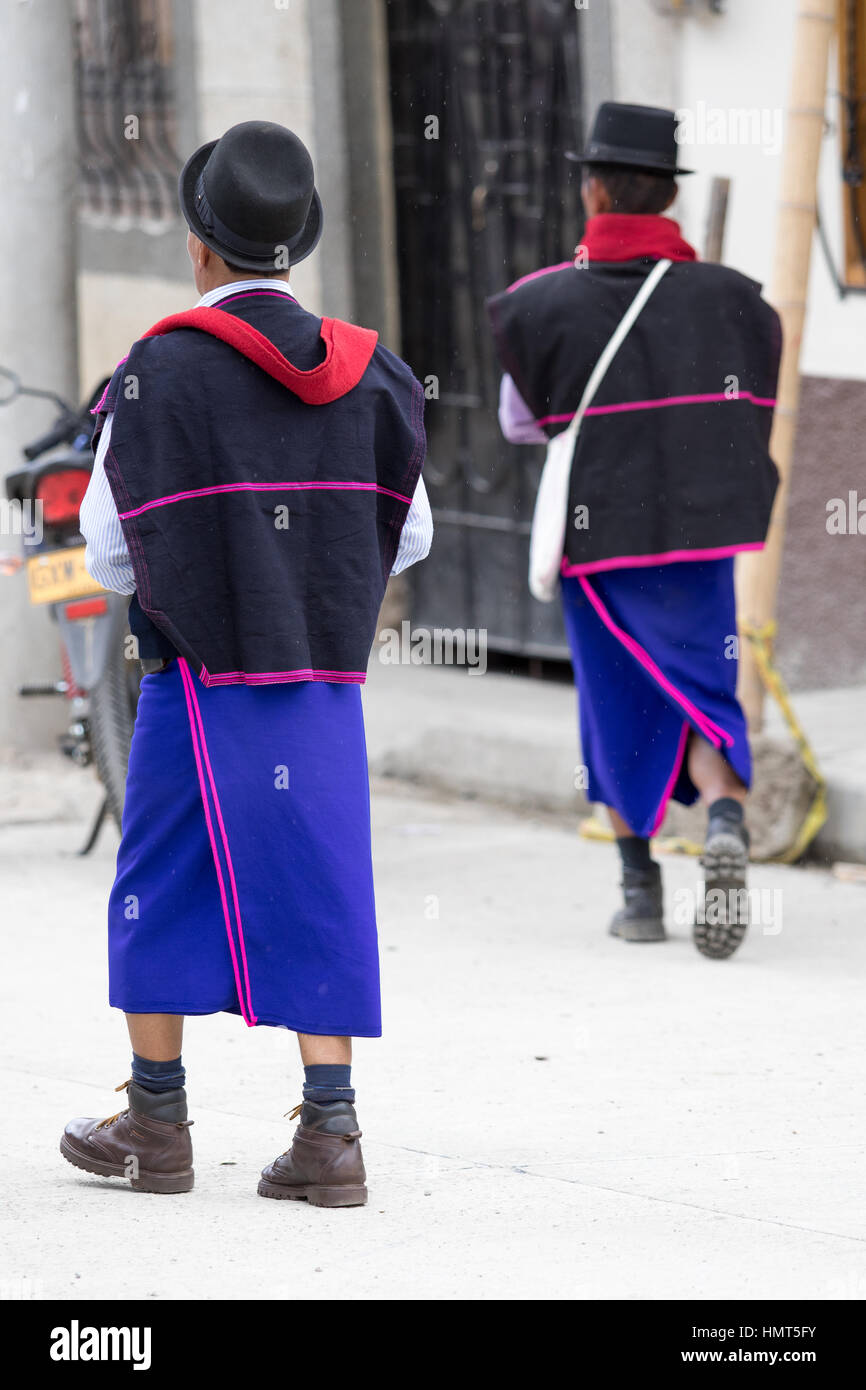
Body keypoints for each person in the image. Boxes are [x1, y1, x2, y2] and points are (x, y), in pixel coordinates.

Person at [61, 120, 431, 1204]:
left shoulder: (157, 372)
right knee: (320, 876)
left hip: (193, 677)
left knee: (158, 880)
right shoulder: (378, 374)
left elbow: (109, 550)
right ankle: (331, 1134)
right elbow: (407, 536)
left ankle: (156, 1120)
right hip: (322, 681)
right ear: (292, 246)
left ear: (197, 246)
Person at [487, 102, 781, 959]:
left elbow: (519, 424)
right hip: (700, 536)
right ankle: (724, 816)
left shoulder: (541, 305)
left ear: (592, 191)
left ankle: (640, 892)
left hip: (599, 538)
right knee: (699, 690)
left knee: (617, 704)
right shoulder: (733, 300)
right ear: (669, 198)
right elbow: (747, 409)